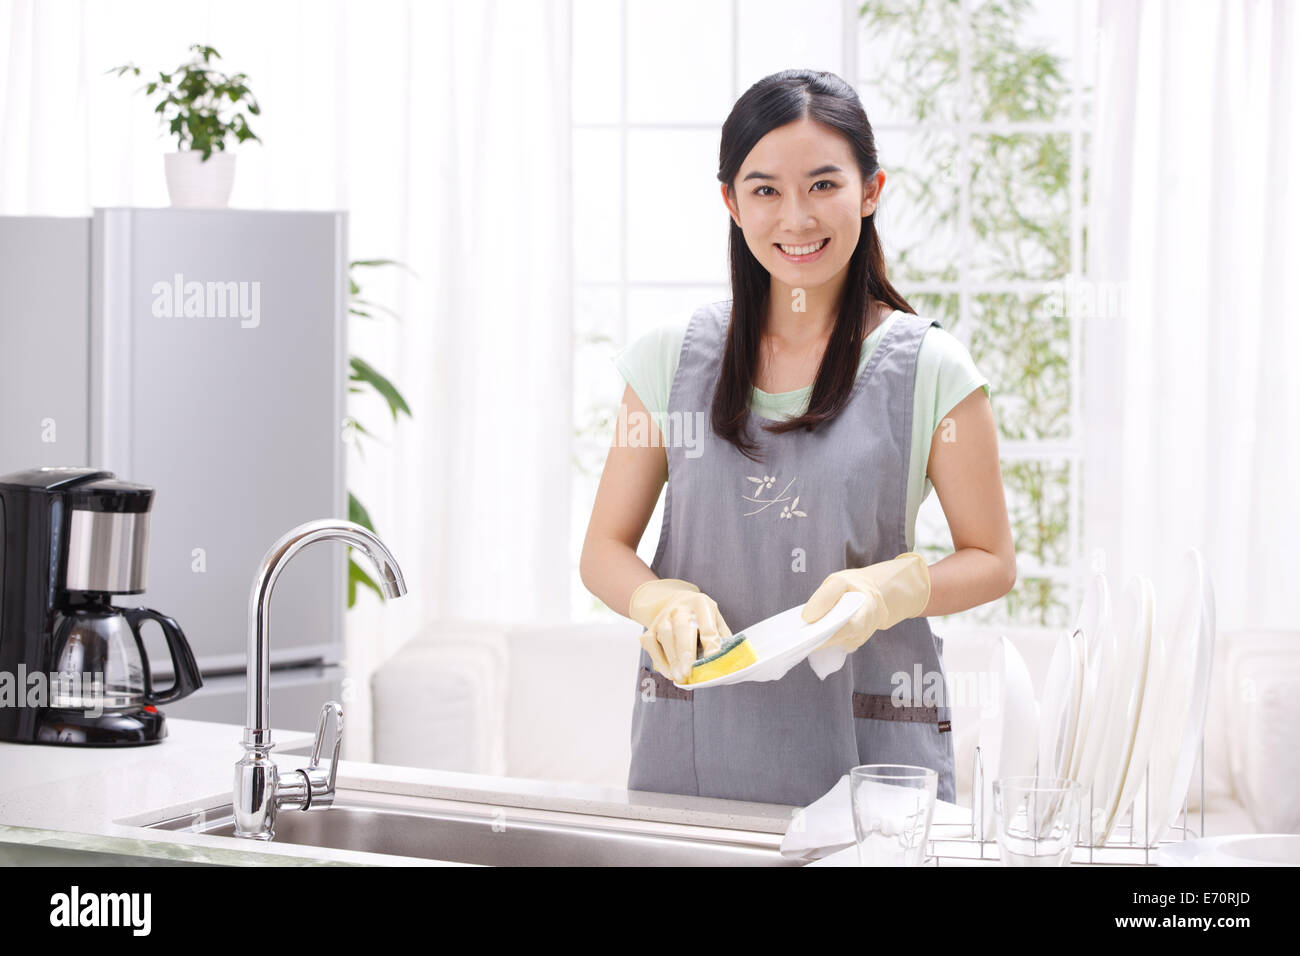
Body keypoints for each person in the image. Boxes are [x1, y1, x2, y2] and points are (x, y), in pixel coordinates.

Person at [579, 68, 1016, 807]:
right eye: (765, 190)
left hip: (873, 767)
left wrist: (897, 587)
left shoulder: (929, 368)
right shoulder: (667, 359)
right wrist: (656, 600)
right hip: (697, 761)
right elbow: (601, 553)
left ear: (871, 191)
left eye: (823, 185)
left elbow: (992, 561)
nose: (797, 218)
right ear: (730, 202)